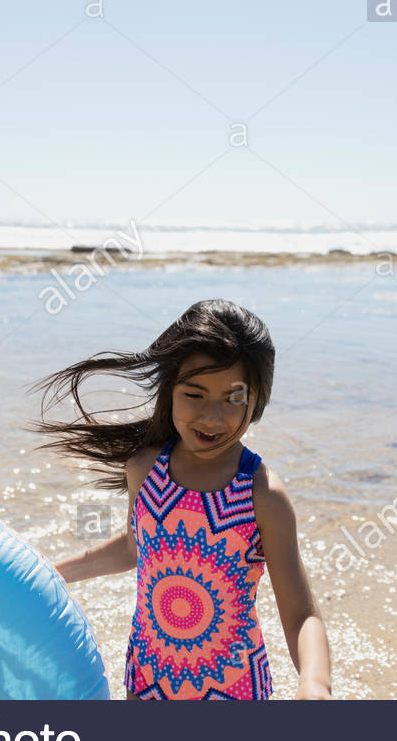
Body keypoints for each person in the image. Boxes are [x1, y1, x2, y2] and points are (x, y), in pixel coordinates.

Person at [31, 298, 332, 700]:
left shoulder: (262, 494)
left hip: (233, 687)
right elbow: (135, 547)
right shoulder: (144, 469)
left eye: (233, 398)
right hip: (149, 679)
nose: (212, 416)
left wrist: (315, 682)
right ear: (168, 391)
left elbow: (301, 614)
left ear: (257, 400)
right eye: (194, 394)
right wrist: (53, 573)